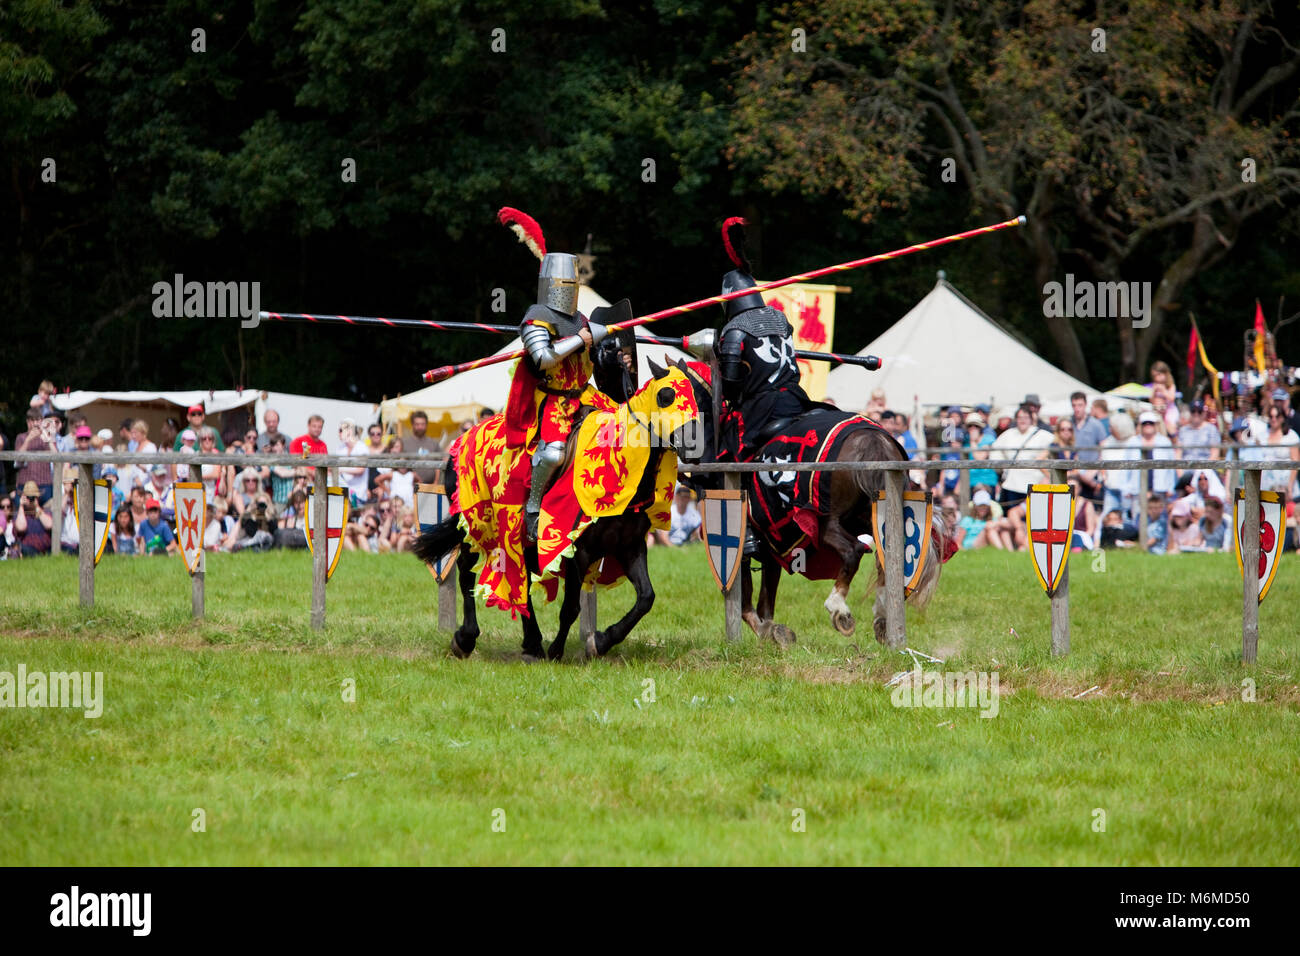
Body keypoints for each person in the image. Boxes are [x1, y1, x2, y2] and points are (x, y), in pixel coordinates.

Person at [498, 209, 607, 542]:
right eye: (563, 284)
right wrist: (582, 339)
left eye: (571, 284)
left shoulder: (580, 318)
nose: (567, 290)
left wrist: (605, 343)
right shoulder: (537, 317)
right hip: (554, 399)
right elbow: (543, 358)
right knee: (555, 451)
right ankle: (533, 509)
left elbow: (593, 359)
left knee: (622, 429)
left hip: (584, 395)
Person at [1252, 404, 1300, 500]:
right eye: (1271, 416)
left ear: (1282, 418)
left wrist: (1290, 486)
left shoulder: (1291, 436)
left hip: (1284, 484)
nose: (1274, 419)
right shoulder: (1262, 435)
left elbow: (1296, 462)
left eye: (1277, 416)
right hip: (1265, 484)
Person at [15, 409, 56, 505]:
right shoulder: (21, 437)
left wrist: (47, 438)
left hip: (45, 484)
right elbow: (18, 460)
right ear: (27, 422)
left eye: (38, 420)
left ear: (42, 421)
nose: (35, 424)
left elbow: (56, 457)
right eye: (32, 420)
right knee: (25, 514)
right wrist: (28, 439)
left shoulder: (47, 437)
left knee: (47, 514)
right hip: (25, 484)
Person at [334, 419, 370, 508]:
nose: (339, 433)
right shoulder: (340, 448)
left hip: (358, 495)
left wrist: (341, 470)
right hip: (342, 494)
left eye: (341, 430)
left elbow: (361, 470)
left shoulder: (362, 447)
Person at [404, 411, 442, 484]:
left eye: (422, 424)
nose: (420, 427)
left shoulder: (434, 443)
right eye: (417, 424)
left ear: (426, 425)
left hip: (431, 487)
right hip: (411, 487)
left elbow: (439, 465)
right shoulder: (405, 443)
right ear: (412, 425)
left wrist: (436, 482)